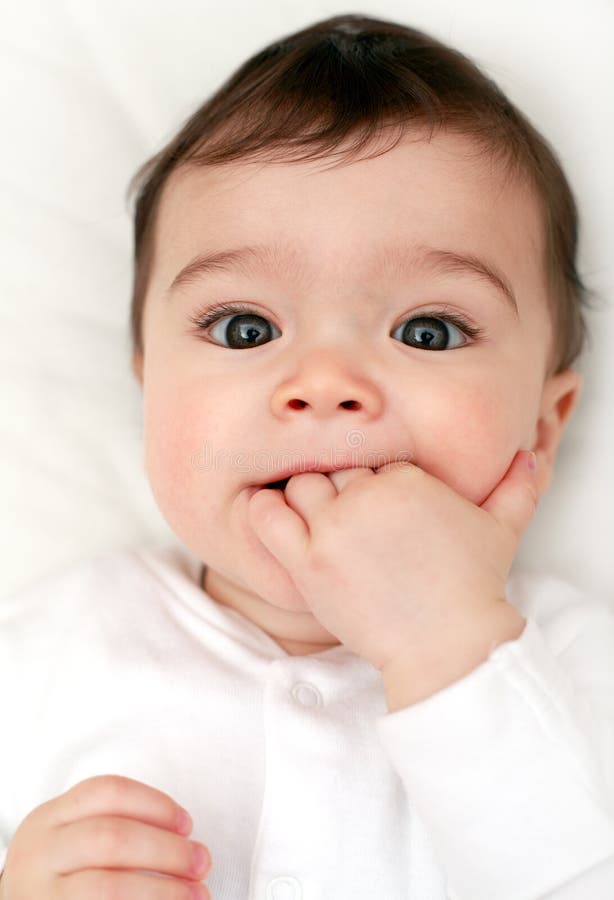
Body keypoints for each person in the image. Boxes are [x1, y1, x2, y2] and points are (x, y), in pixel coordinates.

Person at [1, 12, 613, 900]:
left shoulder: (575, 666)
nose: (324, 383)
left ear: (543, 428)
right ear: (149, 390)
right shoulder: (39, 659)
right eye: (244, 328)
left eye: (429, 330)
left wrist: (450, 649)